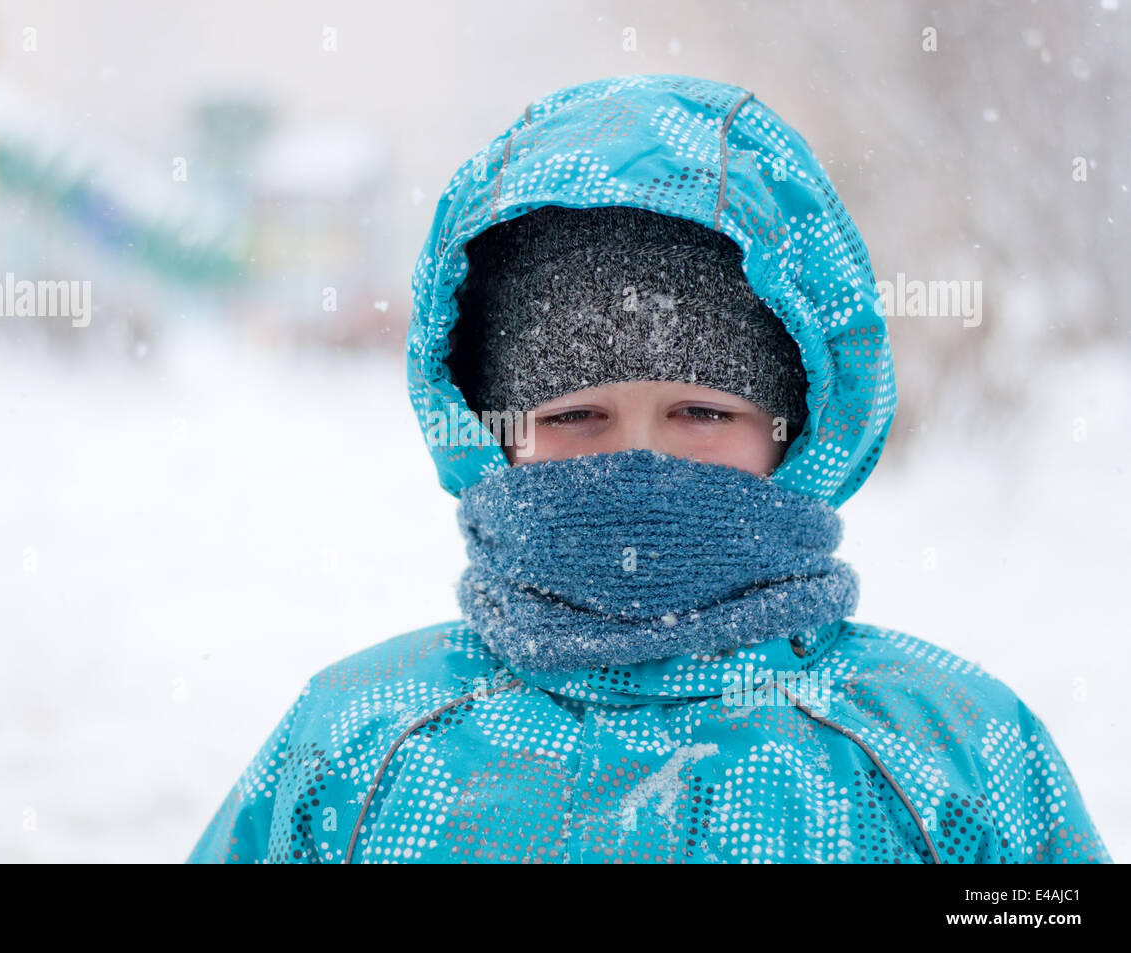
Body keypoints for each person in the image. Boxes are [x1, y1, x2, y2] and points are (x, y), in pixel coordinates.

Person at [187, 74, 1112, 864]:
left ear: (797, 431)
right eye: (577, 415)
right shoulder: (361, 746)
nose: (639, 461)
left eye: (702, 411)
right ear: (494, 433)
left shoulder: (946, 757)